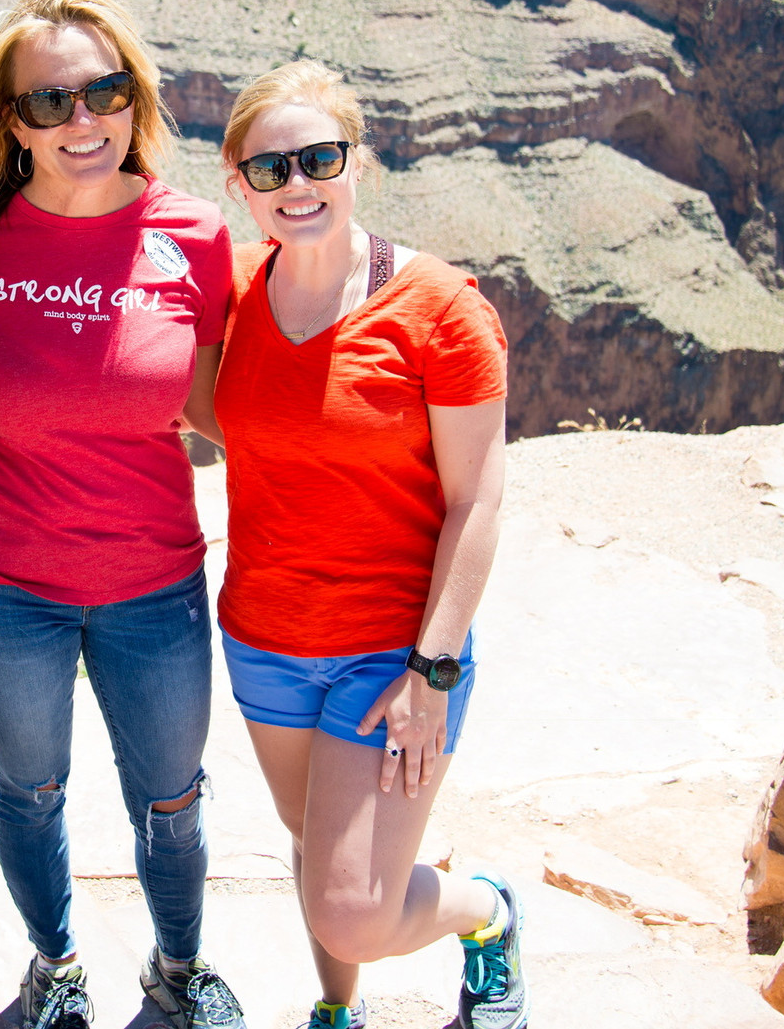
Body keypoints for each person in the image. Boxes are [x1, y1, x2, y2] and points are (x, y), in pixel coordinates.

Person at [0, 0, 245, 1029]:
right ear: (11, 122)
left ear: (135, 96)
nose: (82, 120)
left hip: (153, 580)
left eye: (104, 91)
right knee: (31, 788)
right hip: (0, 581)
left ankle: (180, 968)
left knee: (173, 797)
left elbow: (213, 406)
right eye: (48, 101)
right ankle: (56, 964)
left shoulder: (192, 236)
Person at [203, 61, 524, 1029]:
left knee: (351, 905)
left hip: (392, 648)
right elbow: (192, 402)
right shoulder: (233, 294)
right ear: (238, 184)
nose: (296, 184)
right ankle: (336, 1012)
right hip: (264, 633)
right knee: (312, 845)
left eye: (319, 158)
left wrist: (433, 671)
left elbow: (479, 499)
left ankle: (489, 909)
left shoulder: (437, 308)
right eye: (270, 168)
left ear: (357, 161)